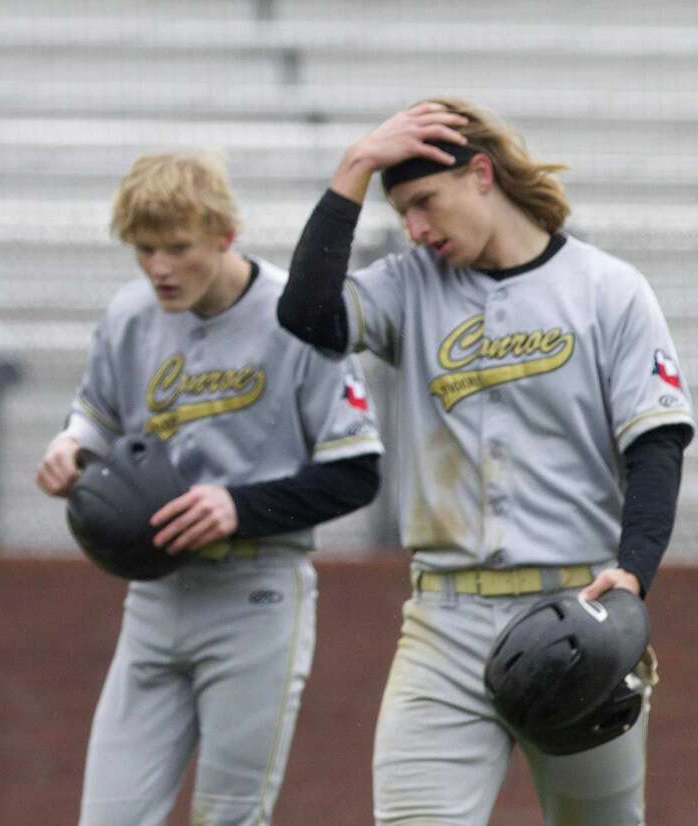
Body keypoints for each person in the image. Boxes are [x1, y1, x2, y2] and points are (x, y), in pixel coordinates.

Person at [278, 97, 694, 825]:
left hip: (578, 619)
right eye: (402, 210)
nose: (413, 228)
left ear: (480, 174)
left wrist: (632, 575)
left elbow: (655, 445)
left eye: (423, 202)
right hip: (445, 620)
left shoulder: (608, 289)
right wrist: (355, 166)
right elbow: (309, 316)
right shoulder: (408, 286)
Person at [36, 151, 384, 826]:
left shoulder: (299, 317)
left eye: (177, 248)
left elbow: (357, 470)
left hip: (255, 595)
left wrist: (239, 507)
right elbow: (94, 420)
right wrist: (69, 446)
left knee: (227, 818)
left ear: (225, 236)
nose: (159, 268)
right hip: (154, 596)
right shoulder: (132, 314)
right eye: (144, 250)